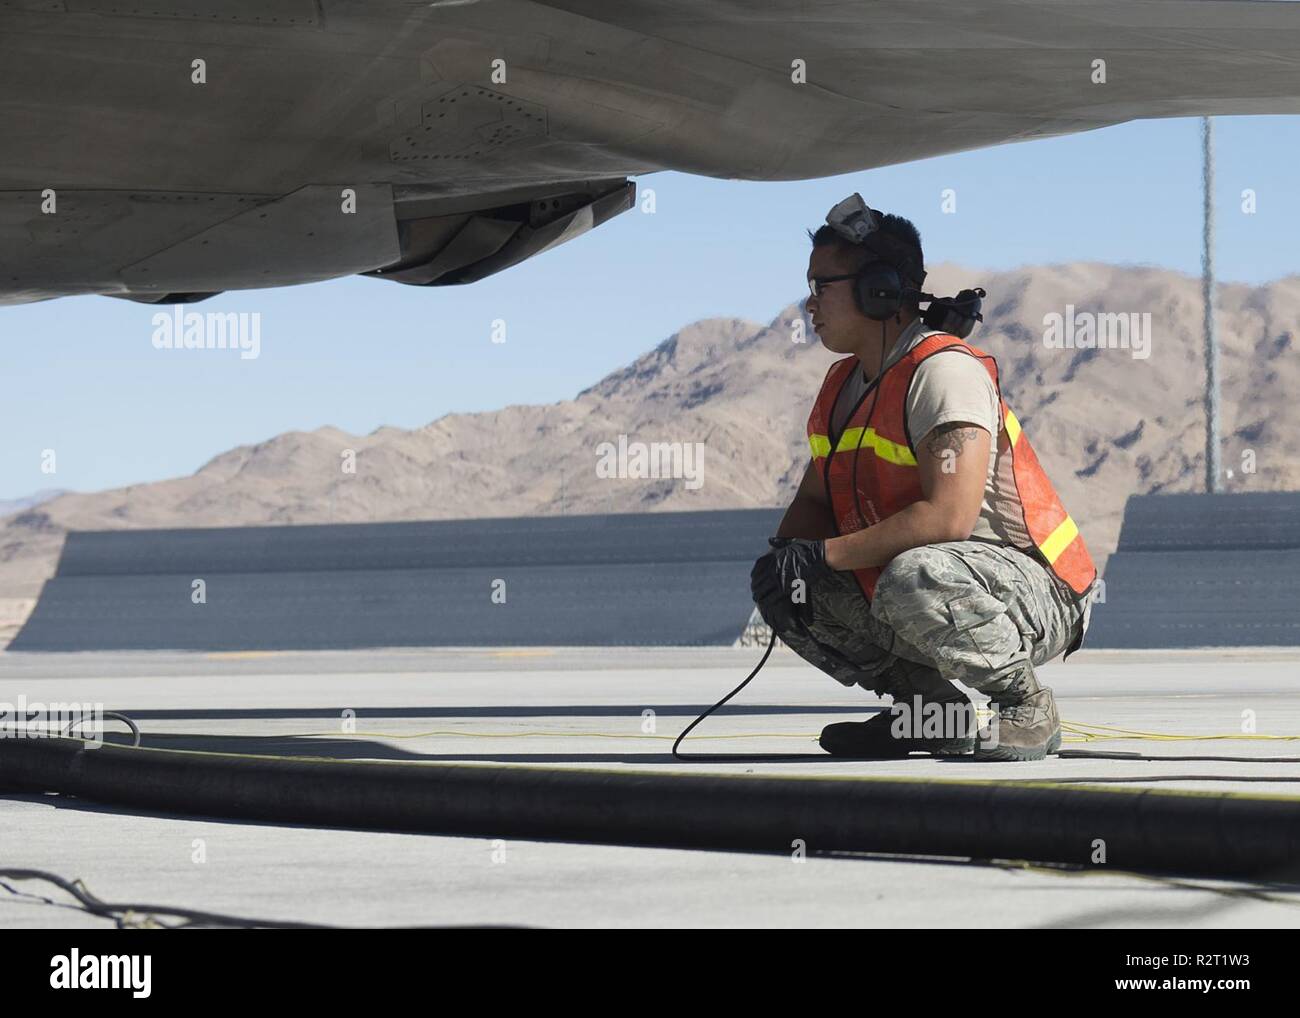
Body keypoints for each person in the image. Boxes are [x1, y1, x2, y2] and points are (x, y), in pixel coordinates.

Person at [750, 194, 1098, 761]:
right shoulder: (843, 388)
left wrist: (825, 556)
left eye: (822, 286)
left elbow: (947, 518)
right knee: (793, 583)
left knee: (915, 575)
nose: (809, 304)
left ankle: (1026, 706)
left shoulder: (942, 373)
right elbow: (816, 498)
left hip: (1030, 588)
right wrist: (790, 561)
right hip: (936, 574)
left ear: (879, 291)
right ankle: (929, 713)